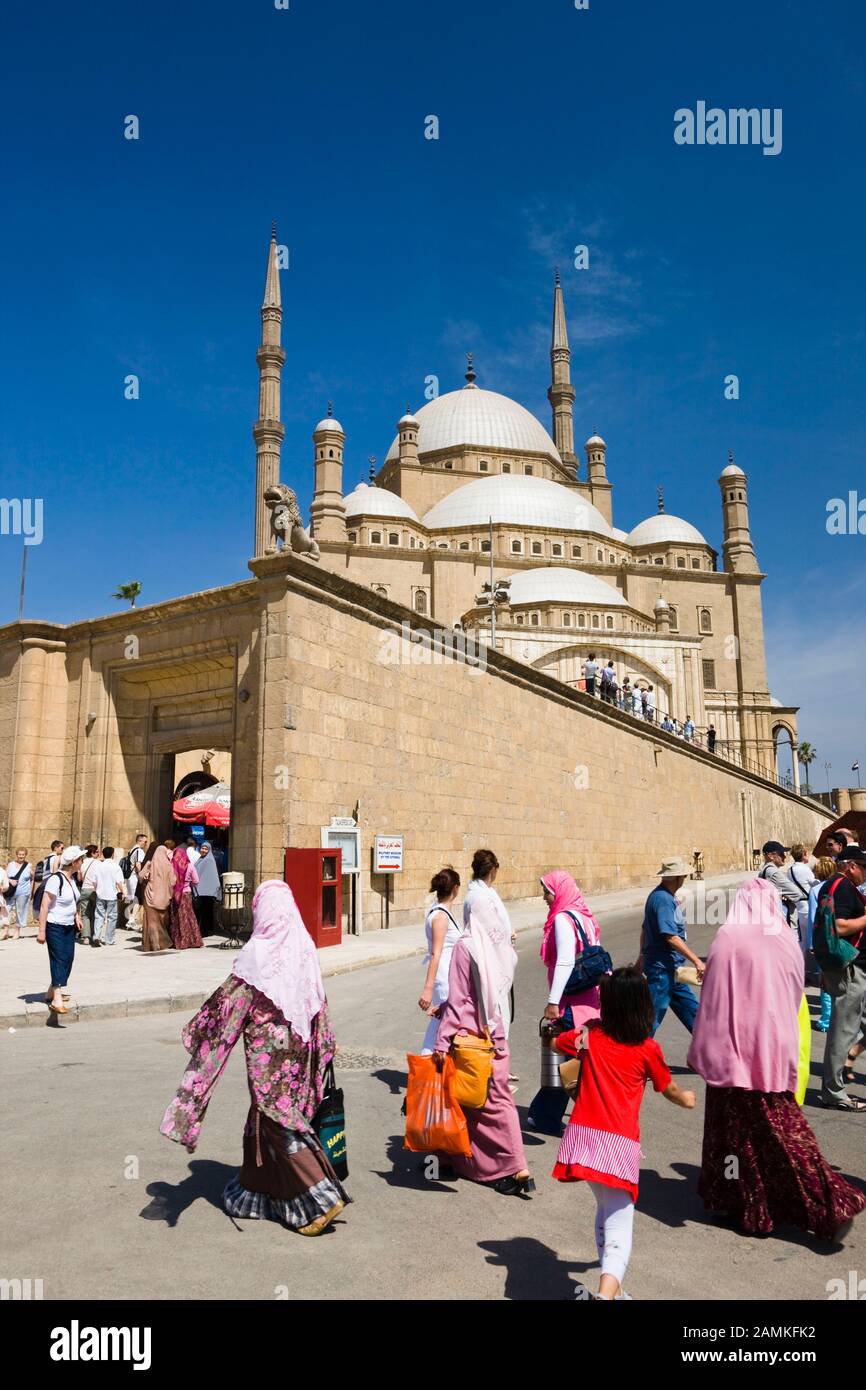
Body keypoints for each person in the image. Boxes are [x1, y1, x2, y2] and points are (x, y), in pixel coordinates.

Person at [161, 879, 349, 1236]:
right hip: (300, 1049)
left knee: (278, 1117)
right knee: (262, 1117)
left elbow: (226, 1005)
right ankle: (257, 1191)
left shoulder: (257, 955)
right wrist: (325, 1043)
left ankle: (320, 1195)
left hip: (268, 1056)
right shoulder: (304, 948)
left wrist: (197, 1030)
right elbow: (318, 1002)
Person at [689, 876, 865, 1238]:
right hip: (773, 1055)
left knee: (732, 1138)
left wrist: (703, 1048)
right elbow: (794, 995)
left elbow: (714, 1002)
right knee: (782, 1131)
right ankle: (803, 1201)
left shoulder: (729, 938)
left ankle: (748, 1202)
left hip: (733, 1059)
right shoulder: (785, 940)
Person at [553, 967, 695, 1300]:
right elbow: (668, 1087)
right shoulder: (647, 1049)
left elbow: (559, 1040)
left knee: (605, 1213)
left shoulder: (590, 1035)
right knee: (619, 1225)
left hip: (582, 1139)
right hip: (617, 1145)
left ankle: (613, 1292)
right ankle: (604, 1296)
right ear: (642, 1006)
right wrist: (686, 1099)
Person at [433, 893, 533, 1196]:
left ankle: (512, 1165)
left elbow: (460, 999)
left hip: (470, 1040)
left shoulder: (466, 946)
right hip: (496, 1032)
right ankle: (470, 1162)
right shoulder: (498, 945)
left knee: (469, 1102)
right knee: (493, 1101)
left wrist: (442, 1040)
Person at [527, 869, 604, 1135]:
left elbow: (565, 960)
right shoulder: (584, 915)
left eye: (547, 891)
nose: (545, 897)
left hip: (571, 1003)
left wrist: (552, 1002)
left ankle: (544, 1115)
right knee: (570, 1059)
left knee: (567, 1061)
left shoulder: (562, 918)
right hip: (590, 1001)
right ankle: (543, 1114)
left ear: (558, 890)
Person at [818, 846, 866, 1111]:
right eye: (864, 868)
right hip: (850, 968)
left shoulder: (833, 885)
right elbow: (840, 926)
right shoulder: (844, 887)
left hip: (850, 967)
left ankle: (836, 1079)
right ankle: (833, 1092)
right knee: (842, 1030)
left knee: (850, 1027)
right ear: (852, 866)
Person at [637, 857, 704, 1035]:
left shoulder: (663, 896)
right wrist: (697, 961)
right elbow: (671, 937)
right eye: (683, 876)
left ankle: (707, 1054)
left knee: (695, 1014)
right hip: (662, 972)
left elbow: (645, 930)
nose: (684, 879)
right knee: (649, 1022)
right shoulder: (663, 900)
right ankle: (630, 1058)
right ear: (677, 878)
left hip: (673, 970)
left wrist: (641, 958)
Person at [463, 849, 515, 1040]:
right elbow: (491, 932)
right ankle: (495, 1064)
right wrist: (506, 939)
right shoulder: (480, 898)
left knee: (493, 1011)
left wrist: (508, 933)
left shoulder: (482, 893)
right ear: (493, 870)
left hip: (489, 960)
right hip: (489, 962)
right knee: (494, 1012)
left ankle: (497, 1064)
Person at [418, 867, 462, 1055]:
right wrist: (427, 989)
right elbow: (436, 954)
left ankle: (432, 1069)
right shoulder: (441, 917)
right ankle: (426, 1064)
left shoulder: (439, 912)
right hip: (444, 976)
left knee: (443, 1021)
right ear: (456, 888)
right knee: (443, 1021)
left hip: (446, 975)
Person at [37, 845, 85, 1015]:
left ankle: (50, 992)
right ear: (73, 862)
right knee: (59, 959)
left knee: (68, 959)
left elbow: (73, 901)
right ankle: (57, 999)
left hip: (68, 926)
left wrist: (76, 917)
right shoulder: (55, 880)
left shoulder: (71, 879)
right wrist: (41, 931)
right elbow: (44, 906)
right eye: (81, 859)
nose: (82, 861)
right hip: (54, 925)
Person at [808, 855, 837, 1030]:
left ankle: (826, 1020)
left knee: (825, 982)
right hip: (839, 938)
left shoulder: (815, 890)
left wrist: (811, 944)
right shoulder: (839, 888)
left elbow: (813, 918)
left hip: (822, 941)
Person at [138, 842, 176, 952]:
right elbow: (173, 881)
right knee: (161, 922)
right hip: (164, 898)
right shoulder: (169, 865)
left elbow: (140, 876)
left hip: (150, 896)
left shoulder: (150, 863)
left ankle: (153, 945)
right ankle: (162, 943)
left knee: (151, 922)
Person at [757, 840, 801, 931]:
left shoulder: (763, 871)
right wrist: (785, 896)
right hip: (782, 920)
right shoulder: (774, 872)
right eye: (781, 854)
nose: (784, 856)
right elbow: (797, 893)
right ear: (771, 856)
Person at [170, 845, 203, 949]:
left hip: (175, 894)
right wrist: (188, 884)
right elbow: (196, 881)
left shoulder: (172, 866)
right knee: (188, 916)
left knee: (177, 917)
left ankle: (178, 941)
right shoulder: (190, 866)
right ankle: (192, 940)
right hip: (187, 893)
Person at [93, 847, 124, 946]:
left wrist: (97, 890)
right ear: (113, 854)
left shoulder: (98, 866)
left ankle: (96, 936)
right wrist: (123, 892)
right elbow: (119, 881)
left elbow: (94, 881)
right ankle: (109, 940)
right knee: (112, 917)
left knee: (99, 916)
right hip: (111, 895)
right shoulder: (115, 867)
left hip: (100, 894)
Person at [789, 843, 817, 948]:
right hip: (809, 908)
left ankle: (801, 963)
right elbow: (815, 884)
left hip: (799, 908)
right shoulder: (805, 869)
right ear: (803, 855)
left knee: (803, 941)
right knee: (815, 940)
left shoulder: (790, 870)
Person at [192, 840, 222, 937]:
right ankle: (204, 931)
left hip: (207, 892)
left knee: (206, 913)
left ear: (209, 850)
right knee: (203, 912)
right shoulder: (201, 859)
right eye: (202, 848)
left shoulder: (209, 860)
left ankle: (205, 931)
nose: (203, 850)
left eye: (206, 849)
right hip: (201, 891)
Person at [3, 848, 31, 939]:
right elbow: (4, 876)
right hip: (10, 891)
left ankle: (17, 931)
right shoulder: (11, 864)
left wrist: (31, 891)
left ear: (25, 855)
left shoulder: (29, 865)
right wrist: (10, 881)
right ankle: (6, 931)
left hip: (23, 892)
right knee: (6, 910)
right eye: (19, 854)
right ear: (17, 855)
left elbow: (32, 878)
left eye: (23, 854)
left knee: (20, 911)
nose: (21, 856)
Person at [77, 845, 100, 945]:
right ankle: (94, 934)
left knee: (85, 914)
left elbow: (79, 879)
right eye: (97, 852)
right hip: (95, 890)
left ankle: (86, 937)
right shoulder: (98, 863)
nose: (99, 853)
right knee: (96, 913)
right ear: (93, 853)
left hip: (84, 889)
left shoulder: (82, 862)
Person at [125, 833, 148, 924]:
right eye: (145, 841)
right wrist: (141, 876)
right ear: (140, 841)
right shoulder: (139, 851)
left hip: (130, 877)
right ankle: (131, 919)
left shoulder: (133, 849)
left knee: (132, 899)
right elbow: (138, 864)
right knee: (136, 899)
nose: (146, 844)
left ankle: (130, 918)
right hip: (135, 877)